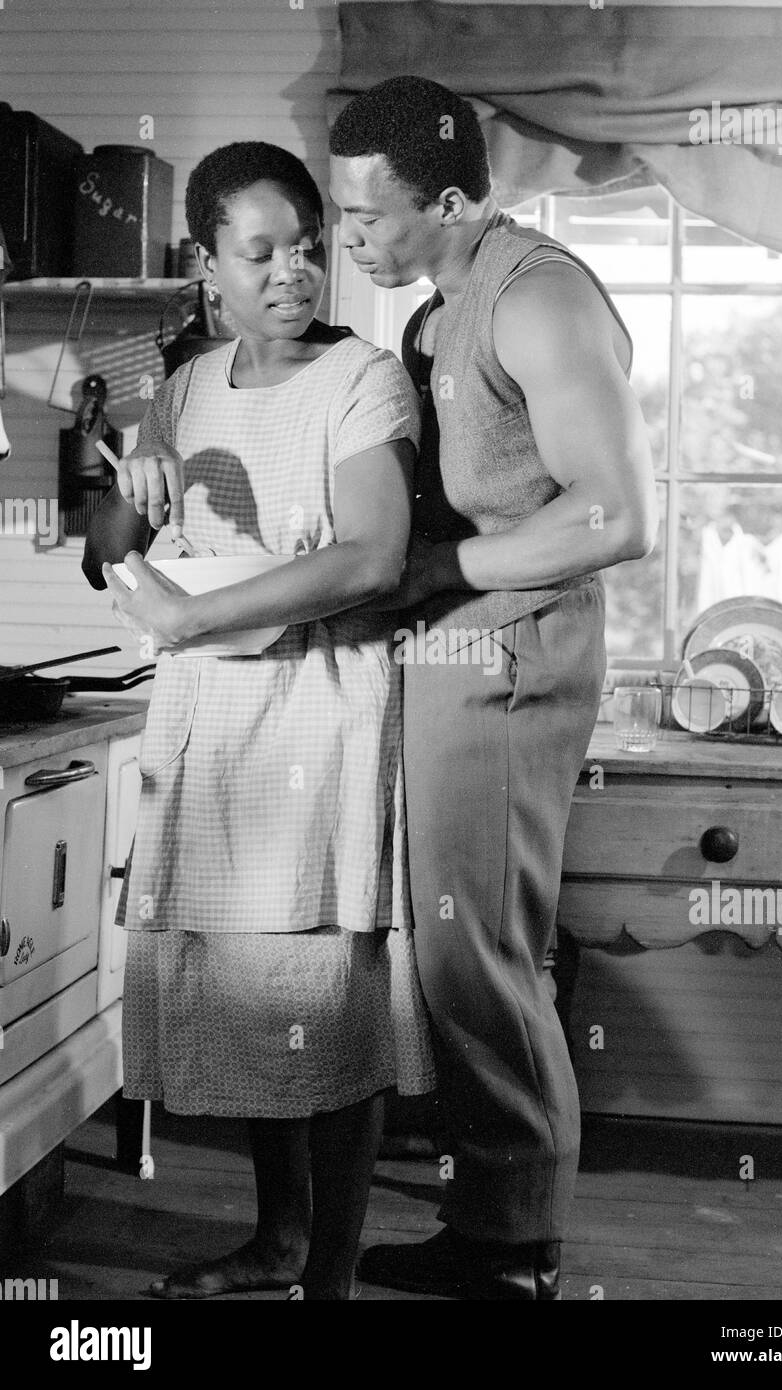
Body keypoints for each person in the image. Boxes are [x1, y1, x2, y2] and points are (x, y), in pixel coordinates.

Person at [83, 141, 435, 1301]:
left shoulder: (364, 380)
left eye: (307, 245)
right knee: (242, 990)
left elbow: (372, 556)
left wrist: (198, 614)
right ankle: (276, 1238)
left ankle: (326, 1273)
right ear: (208, 264)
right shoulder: (182, 386)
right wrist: (128, 493)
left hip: (317, 719)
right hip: (213, 725)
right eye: (260, 250)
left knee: (321, 996)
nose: (292, 270)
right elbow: (109, 557)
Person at [330, 76, 657, 1300]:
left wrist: (434, 568)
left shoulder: (537, 296)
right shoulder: (439, 311)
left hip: (511, 656)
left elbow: (615, 514)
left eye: (367, 216)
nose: (346, 237)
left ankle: (514, 1252)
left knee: (483, 960)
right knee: (454, 953)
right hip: (454, 653)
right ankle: (492, 1218)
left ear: (455, 199)